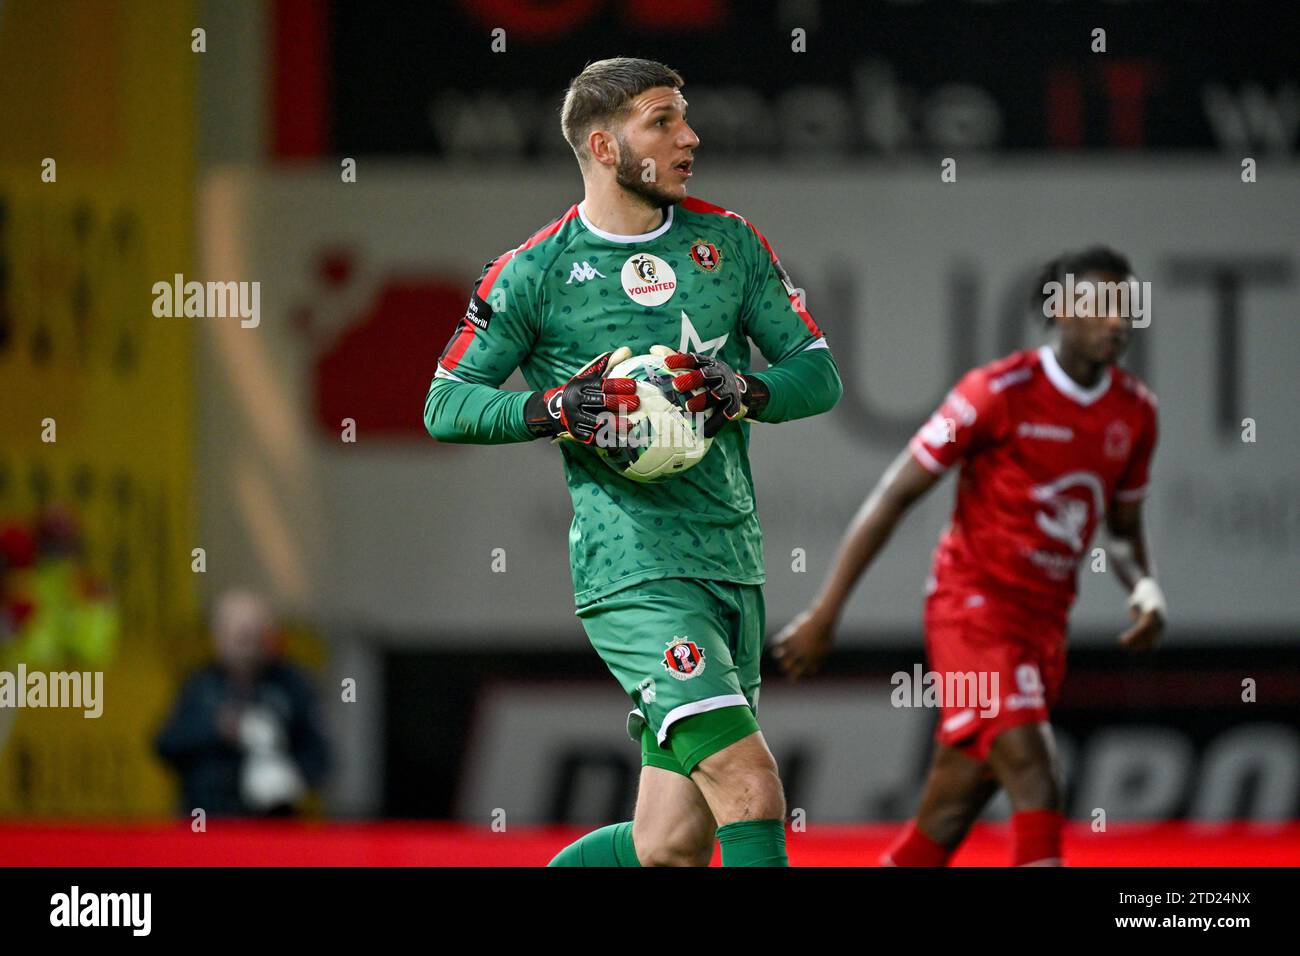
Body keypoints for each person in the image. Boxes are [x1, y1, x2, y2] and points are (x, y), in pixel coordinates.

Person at [424, 57, 842, 866]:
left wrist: (748, 390)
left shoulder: (729, 243)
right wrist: (550, 410)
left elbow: (817, 373)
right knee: (750, 789)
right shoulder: (535, 273)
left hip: (733, 561)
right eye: (663, 120)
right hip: (635, 571)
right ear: (605, 147)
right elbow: (446, 400)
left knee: (670, 845)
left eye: (684, 116)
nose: (690, 136)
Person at [773, 247, 1163, 866]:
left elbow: (1121, 527)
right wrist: (826, 612)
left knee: (948, 815)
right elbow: (894, 496)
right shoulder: (997, 393)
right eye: (1100, 306)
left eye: (1127, 307)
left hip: (1044, 628)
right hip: (973, 613)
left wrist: (1144, 588)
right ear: (1059, 310)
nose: (1118, 321)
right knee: (1037, 773)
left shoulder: (1135, 411)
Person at [155, 589, 330, 817]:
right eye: (239, 636)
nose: (246, 648)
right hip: (207, 822)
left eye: (254, 635)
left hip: (270, 827)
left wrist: (292, 776)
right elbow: (166, 743)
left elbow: (321, 756)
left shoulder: (290, 685)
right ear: (218, 637)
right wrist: (221, 728)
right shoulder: (200, 685)